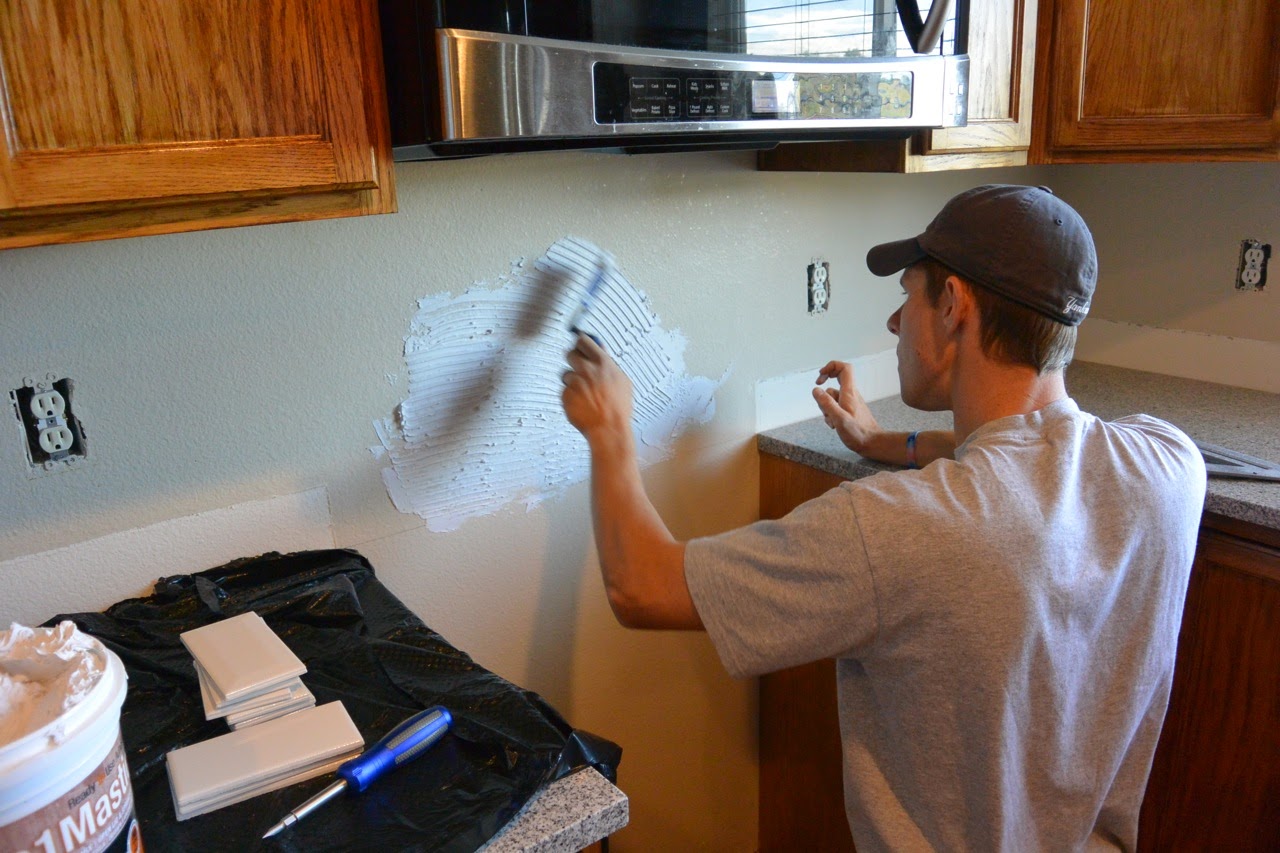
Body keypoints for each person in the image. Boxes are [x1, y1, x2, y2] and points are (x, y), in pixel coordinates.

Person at [560, 185, 1206, 851]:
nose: (896, 322)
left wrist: (609, 431)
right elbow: (1035, 448)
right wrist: (882, 442)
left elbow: (643, 586)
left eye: (907, 295)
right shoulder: (1170, 466)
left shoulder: (900, 528)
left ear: (952, 305)